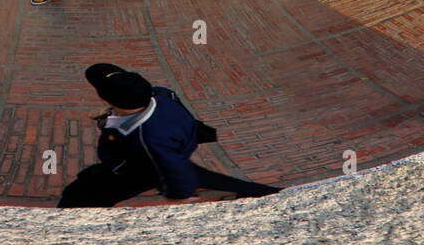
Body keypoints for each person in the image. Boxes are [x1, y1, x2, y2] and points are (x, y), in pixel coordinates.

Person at [57, 63, 278, 207]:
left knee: (79, 195)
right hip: (173, 146)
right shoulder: (163, 94)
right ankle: (266, 193)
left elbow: (171, 166)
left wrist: (178, 195)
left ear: (107, 100)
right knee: (200, 174)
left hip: (138, 169)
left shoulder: (149, 140)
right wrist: (110, 113)